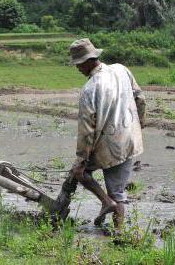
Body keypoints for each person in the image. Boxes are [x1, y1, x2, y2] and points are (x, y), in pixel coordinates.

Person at [53, 38, 146, 229]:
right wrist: (139, 125)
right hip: (129, 139)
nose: (77, 68)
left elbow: (87, 130)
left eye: (79, 64)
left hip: (106, 145)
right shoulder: (121, 69)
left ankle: (105, 202)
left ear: (89, 60)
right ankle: (119, 233)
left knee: (80, 172)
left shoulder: (90, 89)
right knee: (118, 191)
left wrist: (81, 160)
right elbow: (140, 98)